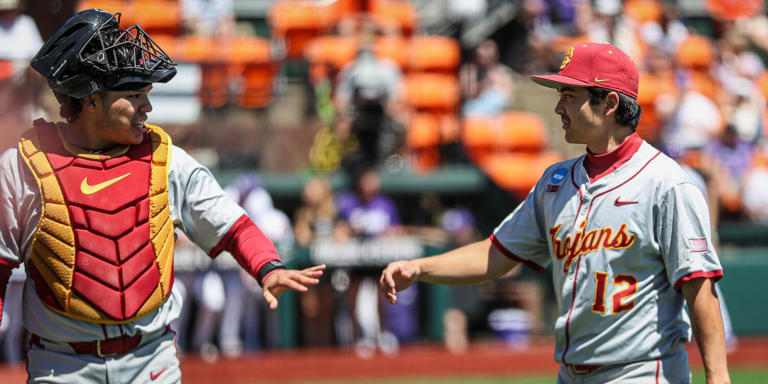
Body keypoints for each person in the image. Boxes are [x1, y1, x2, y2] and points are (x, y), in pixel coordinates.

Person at [0, 9, 324, 383]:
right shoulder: (24, 166)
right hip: (63, 365)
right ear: (90, 100)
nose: (147, 108)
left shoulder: (165, 159)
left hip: (151, 359)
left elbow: (232, 225)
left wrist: (268, 268)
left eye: (146, 94)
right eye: (134, 95)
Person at [380, 42, 730, 383]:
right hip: (571, 372)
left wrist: (718, 377)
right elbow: (496, 254)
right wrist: (420, 267)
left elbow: (698, 287)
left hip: (640, 370)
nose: (559, 107)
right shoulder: (555, 182)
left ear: (609, 103)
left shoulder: (665, 183)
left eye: (569, 95)